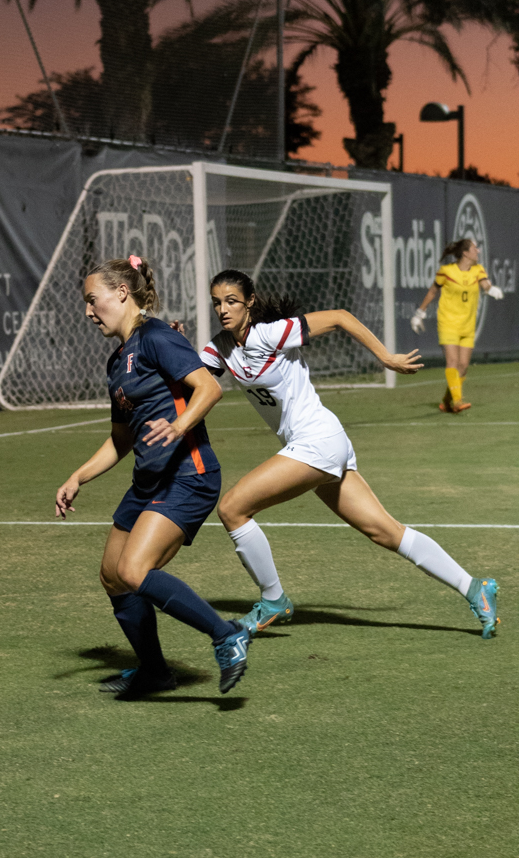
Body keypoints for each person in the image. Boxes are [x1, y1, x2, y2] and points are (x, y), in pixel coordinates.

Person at [199, 268, 499, 639]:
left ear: (250, 303)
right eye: (217, 302)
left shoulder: (270, 333)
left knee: (232, 508)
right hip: (319, 444)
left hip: (317, 441)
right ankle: (475, 588)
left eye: (231, 301)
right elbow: (192, 377)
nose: (223, 309)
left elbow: (340, 317)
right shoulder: (220, 347)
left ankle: (274, 600)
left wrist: (386, 358)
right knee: (386, 532)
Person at [55, 256, 251, 696]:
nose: (88, 311)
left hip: (188, 475)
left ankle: (227, 635)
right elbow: (120, 441)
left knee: (134, 569)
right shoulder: (116, 363)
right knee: (112, 574)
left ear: (122, 293)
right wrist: (78, 477)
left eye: (93, 299)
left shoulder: (159, 336)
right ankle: (154, 672)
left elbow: (210, 388)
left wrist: (180, 426)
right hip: (148, 481)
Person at [411, 238, 504, 413]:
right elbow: (433, 291)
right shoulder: (446, 271)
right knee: (453, 361)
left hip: (467, 325)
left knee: (463, 366)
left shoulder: (478, 270)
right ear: (466, 253)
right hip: (448, 322)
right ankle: (458, 401)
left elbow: (485, 284)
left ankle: (447, 400)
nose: (478, 251)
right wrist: (419, 314)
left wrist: (490, 289)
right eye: (475, 248)